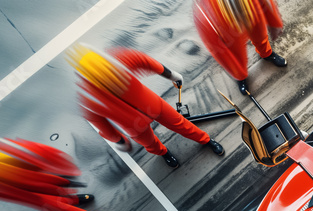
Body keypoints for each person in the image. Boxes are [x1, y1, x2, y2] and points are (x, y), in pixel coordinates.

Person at [69, 44, 224, 168]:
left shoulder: (90, 90)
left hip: (146, 111)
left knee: (180, 124)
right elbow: (100, 123)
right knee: (156, 140)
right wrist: (170, 75)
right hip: (136, 121)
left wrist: (119, 141)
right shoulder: (89, 96)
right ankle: (165, 152)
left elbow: (143, 60)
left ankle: (204, 140)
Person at [193, 0, 287, 96]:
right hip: (223, 18)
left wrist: (274, 20)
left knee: (260, 34)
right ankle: (240, 76)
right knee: (235, 53)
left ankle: (267, 53)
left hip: (249, 6)